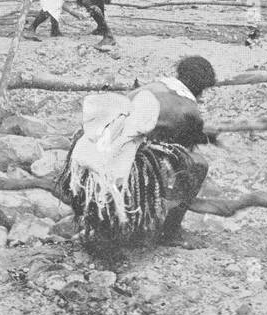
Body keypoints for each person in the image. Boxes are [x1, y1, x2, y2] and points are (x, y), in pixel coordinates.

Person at [58, 56, 217, 246]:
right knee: (198, 164)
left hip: (88, 150)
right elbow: (182, 150)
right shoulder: (189, 108)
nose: (201, 96)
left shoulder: (152, 87)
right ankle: (170, 232)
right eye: (202, 90)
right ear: (196, 85)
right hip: (121, 163)